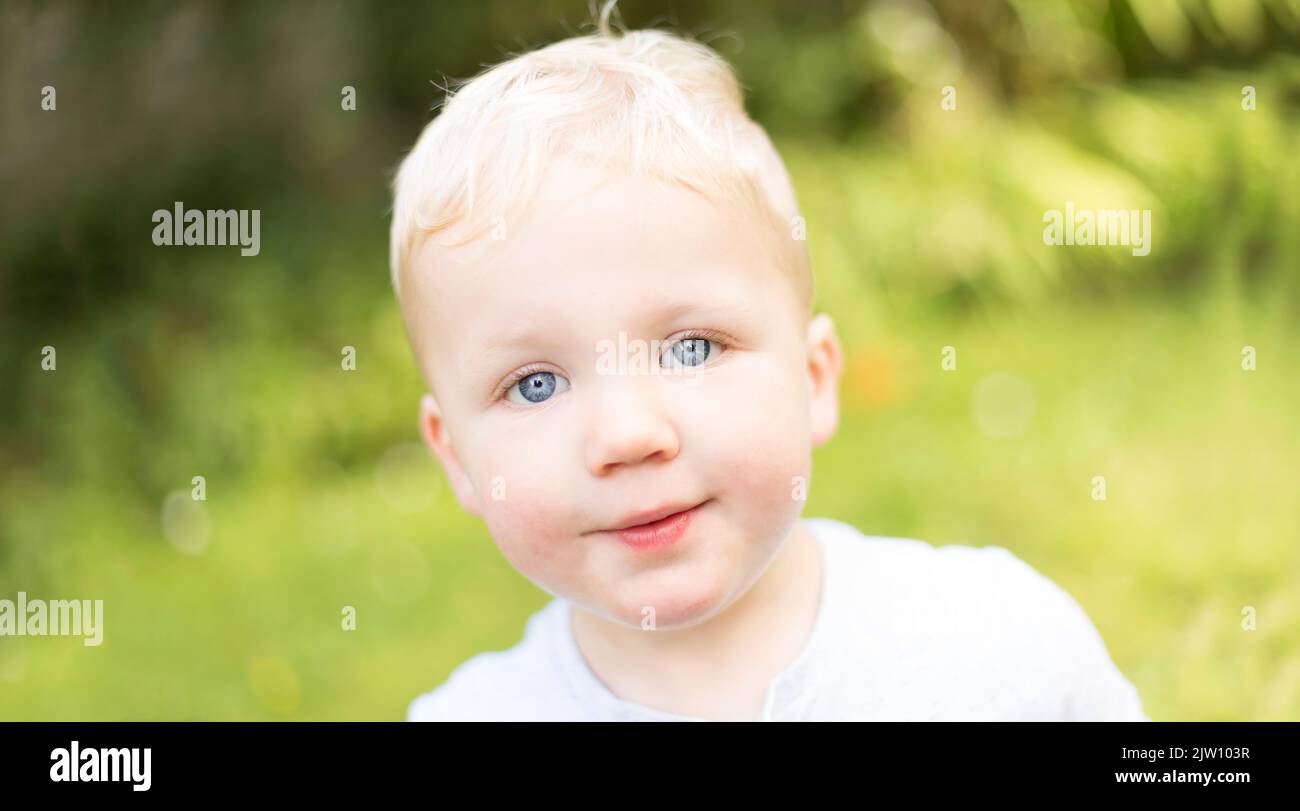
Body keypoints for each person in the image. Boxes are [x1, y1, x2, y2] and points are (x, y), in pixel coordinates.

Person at [388, 2, 1149, 721]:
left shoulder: (998, 649)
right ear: (455, 456)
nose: (626, 435)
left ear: (814, 377)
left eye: (691, 348)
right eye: (536, 384)